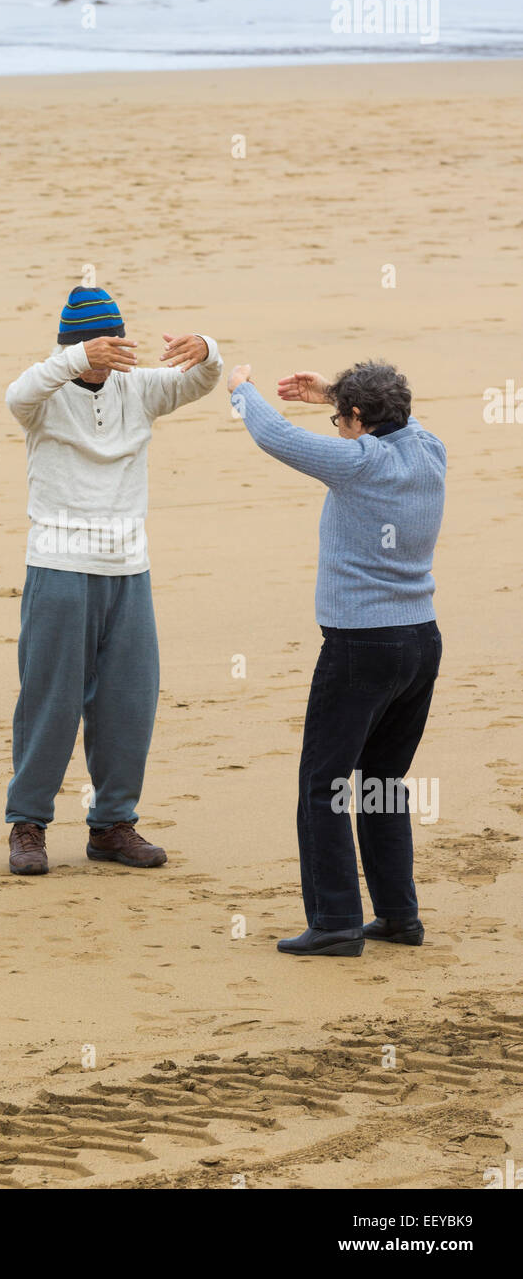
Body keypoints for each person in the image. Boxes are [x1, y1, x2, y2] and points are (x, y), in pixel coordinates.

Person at [227, 360, 445, 957]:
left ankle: (336, 922)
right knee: (383, 783)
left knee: (323, 786)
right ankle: (399, 917)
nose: (338, 427)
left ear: (356, 420)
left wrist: (239, 388)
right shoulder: (430, 449)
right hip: (421, 642)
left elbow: (276, 437)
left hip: (361, 646)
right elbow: (400, 420)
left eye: (341, 418)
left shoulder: (359, 462)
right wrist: (338, 397)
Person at [4, 285, 222, 875]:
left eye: (116, 342)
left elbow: (199, 382)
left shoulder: (140, 388)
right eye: (98, 344)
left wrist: (207, 350)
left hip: (128, 568)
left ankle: (113, 825)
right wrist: (78, 358)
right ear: (74, 346)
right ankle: (27, 826)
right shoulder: (44, 395)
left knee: (129, 701)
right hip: (59, 565)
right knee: (50, 700)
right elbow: (16, 393)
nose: (110, 352)